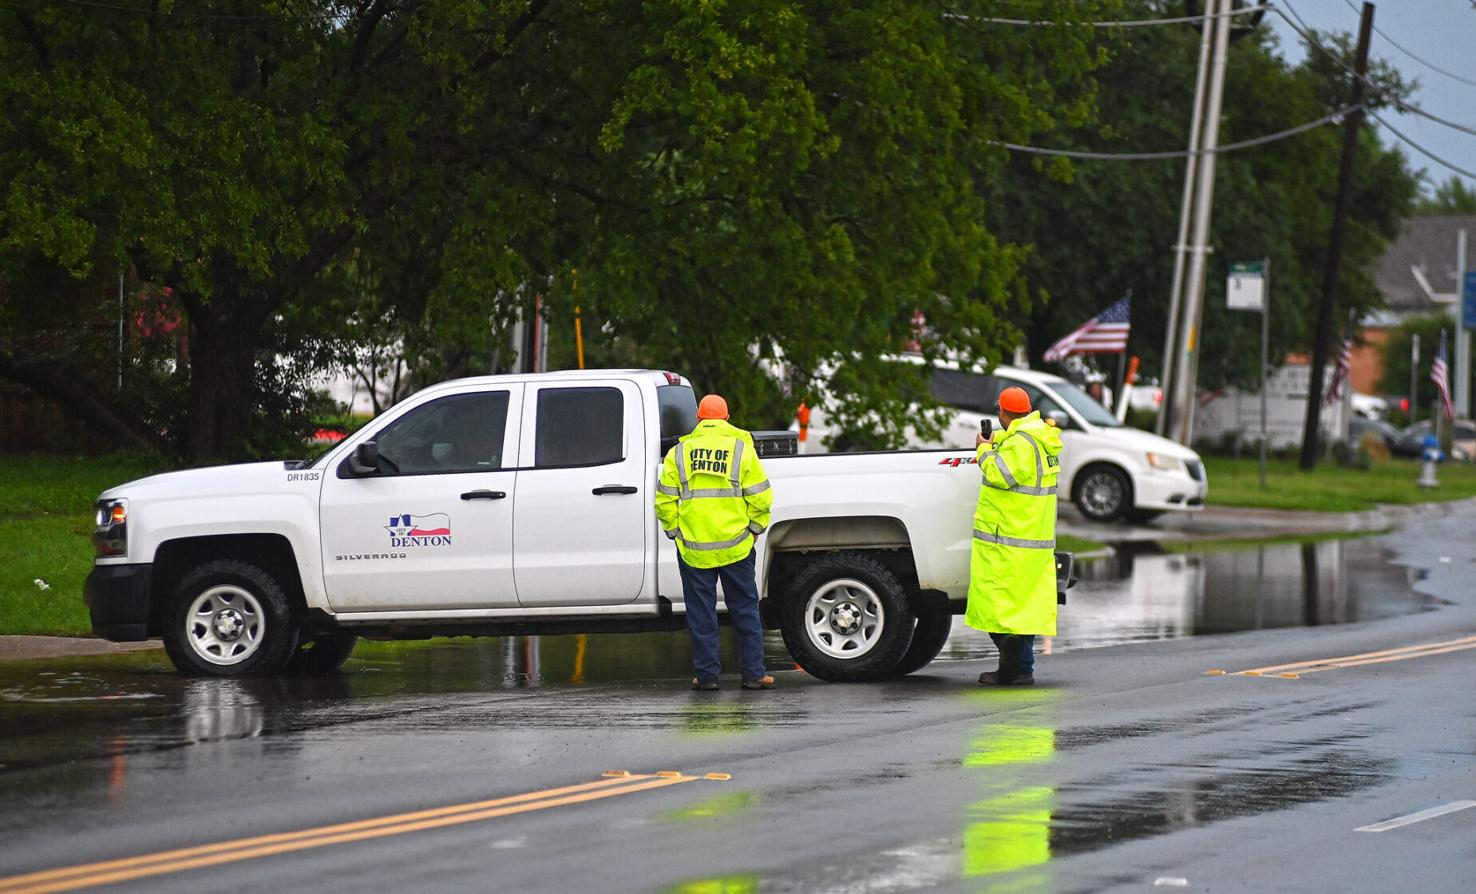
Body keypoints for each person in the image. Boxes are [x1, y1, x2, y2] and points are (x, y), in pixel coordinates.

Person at [655, 394, 776, 691]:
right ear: (726, 418)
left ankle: (707, 677)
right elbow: (761, 496)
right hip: (736, 545)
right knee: (745, 610)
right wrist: (755, 529)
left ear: (699, 419)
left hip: (694, 548)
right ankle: (754, 674)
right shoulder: (741, 449)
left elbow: (664, 501)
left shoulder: (679, 453)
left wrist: (675, 532)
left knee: (701, 614)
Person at [965, 386, 1063, 686]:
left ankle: (1013, 665)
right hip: (1033, 540)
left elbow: (1001, 474)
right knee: (1024, 609)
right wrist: (995, 439)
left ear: (1004, 413)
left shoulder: (1021, 443)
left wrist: (983, 450)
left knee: (997, 606)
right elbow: (1017, 450)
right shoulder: (1040, 438)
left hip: (1008, 539)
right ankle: (1023, 669)